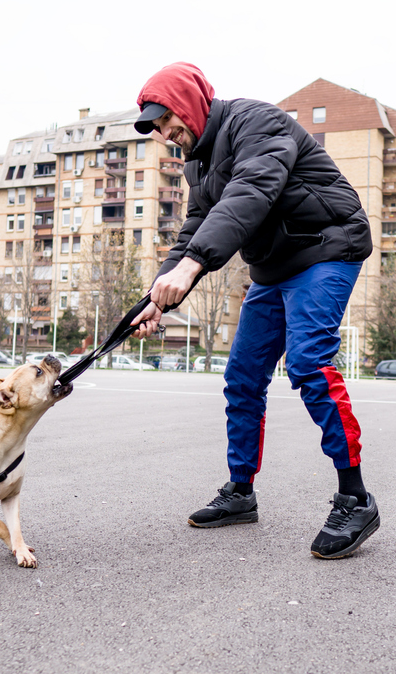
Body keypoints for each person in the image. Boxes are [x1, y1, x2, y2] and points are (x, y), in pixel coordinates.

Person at [129, 62, 378, 559]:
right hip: (274, 268)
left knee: (309, 363)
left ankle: (356, 498)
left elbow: (251, 193)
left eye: (168, 118)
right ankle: (240, 493)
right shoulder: (196, 165)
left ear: (192, 101)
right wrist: (157, 294)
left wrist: (195, 265)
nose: (166, 132)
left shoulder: (255, 122)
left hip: (327, 246)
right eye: (158, 127)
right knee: (242, 378)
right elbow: (194, 230)